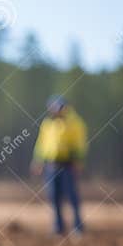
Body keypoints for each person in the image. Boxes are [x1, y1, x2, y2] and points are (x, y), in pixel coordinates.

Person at [31, 95, 87, 235]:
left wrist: (78, 160)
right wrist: (38, 160)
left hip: (68, 164)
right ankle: (58, 227)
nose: (55, 111)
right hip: (51, 165)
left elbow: (80, 142)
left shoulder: (75, 122)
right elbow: (41, 144)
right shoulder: (47, 124)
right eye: (52, 109)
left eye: (58, 108)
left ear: (64, 107)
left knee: (71, 195)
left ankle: (78, 226)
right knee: (53, 196)